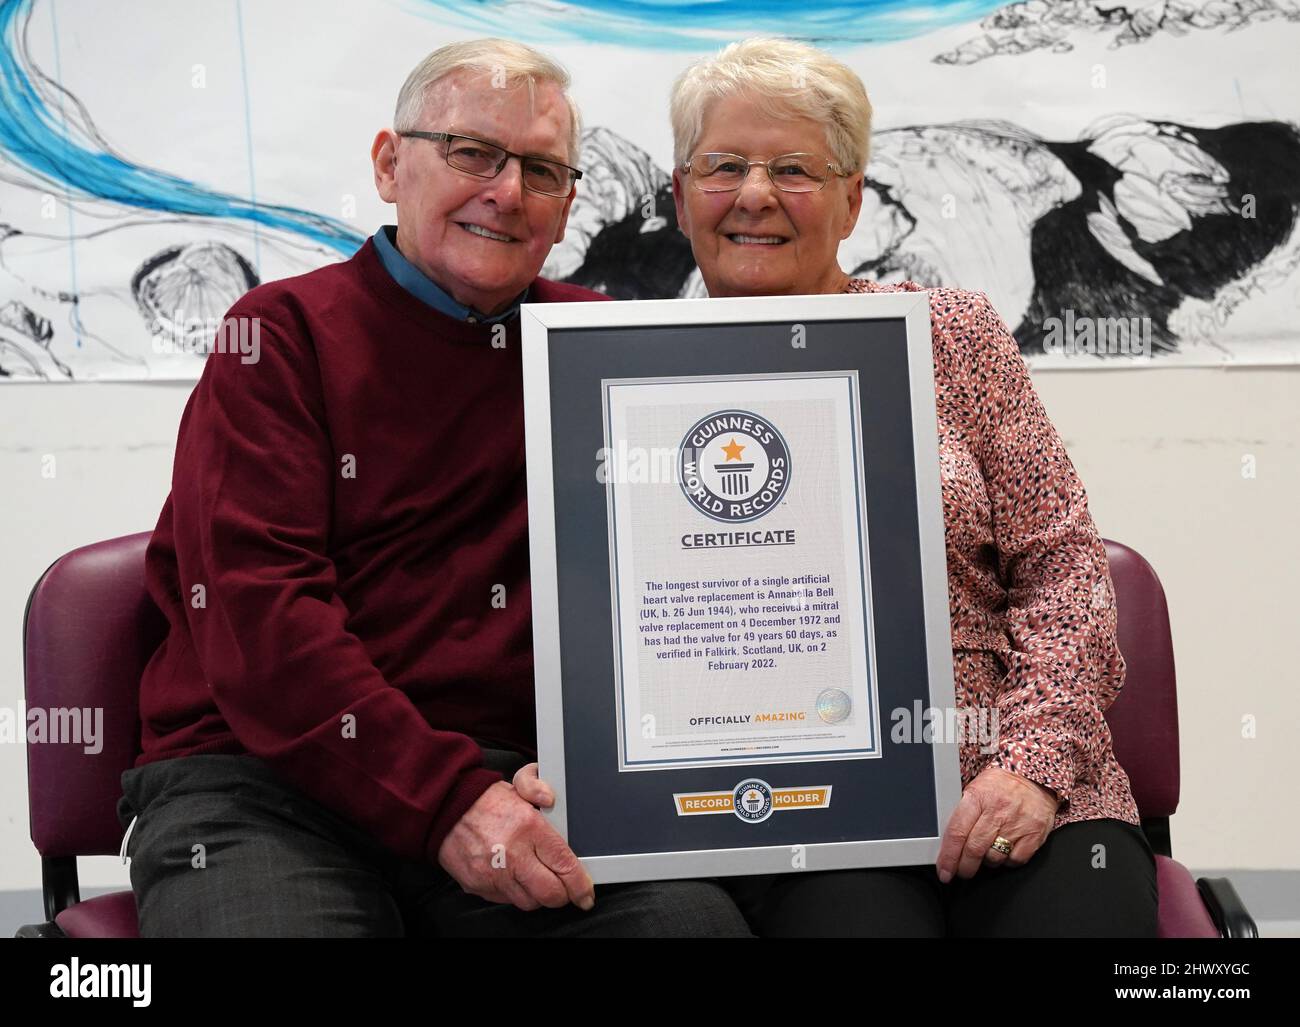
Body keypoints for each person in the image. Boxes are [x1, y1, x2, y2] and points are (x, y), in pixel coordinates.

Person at [117, 38, 751, 938]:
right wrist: (444, 800)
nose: (506, 191)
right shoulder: (278, 338)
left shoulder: (602, 350)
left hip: (512, 783)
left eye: (540, 169)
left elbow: (670, 590)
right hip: (260, 781)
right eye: (471, 153)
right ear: (389, 164)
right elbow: (264, 620)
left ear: (569, 206)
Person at [638, 36, 1157, 936]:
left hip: (1022, 784)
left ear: (850, 200)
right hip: (806, 813)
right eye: (724, 166)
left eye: (794, 168)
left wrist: (1031, 765)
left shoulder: (951, 335)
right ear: (682, 197)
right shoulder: (633, 385)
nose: (755, 195)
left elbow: (1064, 570)